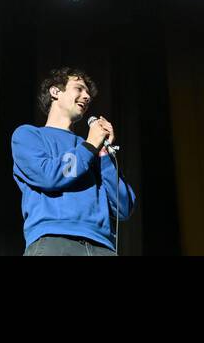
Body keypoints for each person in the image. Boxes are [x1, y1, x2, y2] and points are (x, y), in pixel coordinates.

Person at [10, 67, 136, 256]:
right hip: (55, 241)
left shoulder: (91, 146)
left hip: (103, 247)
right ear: (55, 92)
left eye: (88, 93)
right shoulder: (28, 135)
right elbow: (49, 176)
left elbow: (124, 207)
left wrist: (103, 154)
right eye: (79, 89)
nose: (86, 96)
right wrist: (91, 145)